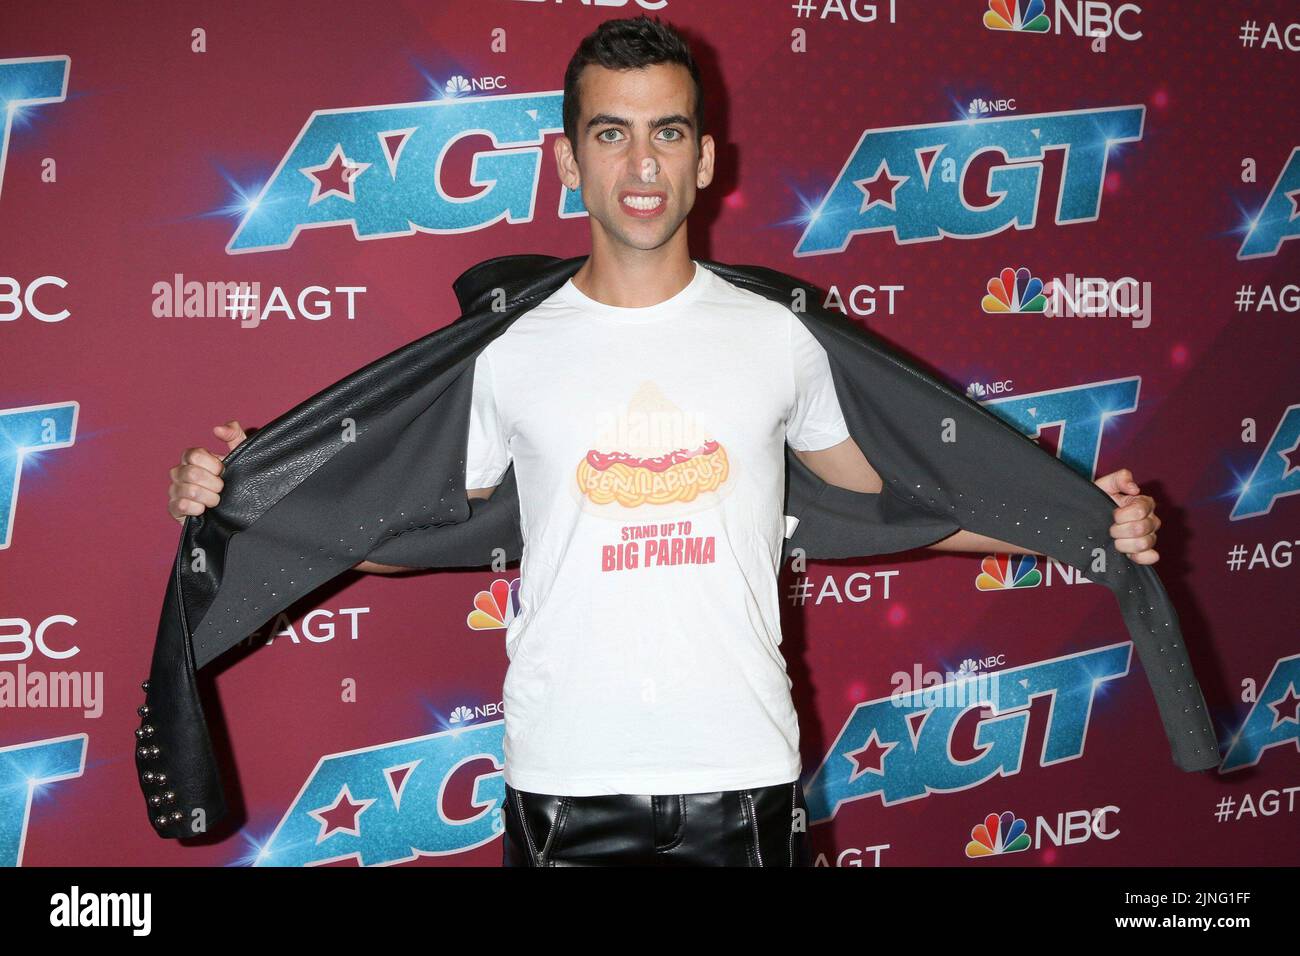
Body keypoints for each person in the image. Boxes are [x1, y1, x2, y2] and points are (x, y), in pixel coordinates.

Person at [164, 16, 1162, 867]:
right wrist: (251, 490)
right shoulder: (507, 353)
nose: (641, 166)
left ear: (704, 157)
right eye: (611, 133)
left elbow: (904, 504)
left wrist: (1080, 525)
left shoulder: (779, 338)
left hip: (745, 784)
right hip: (562, 789)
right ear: (567, 158)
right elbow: (381, 528)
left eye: (667, 133)